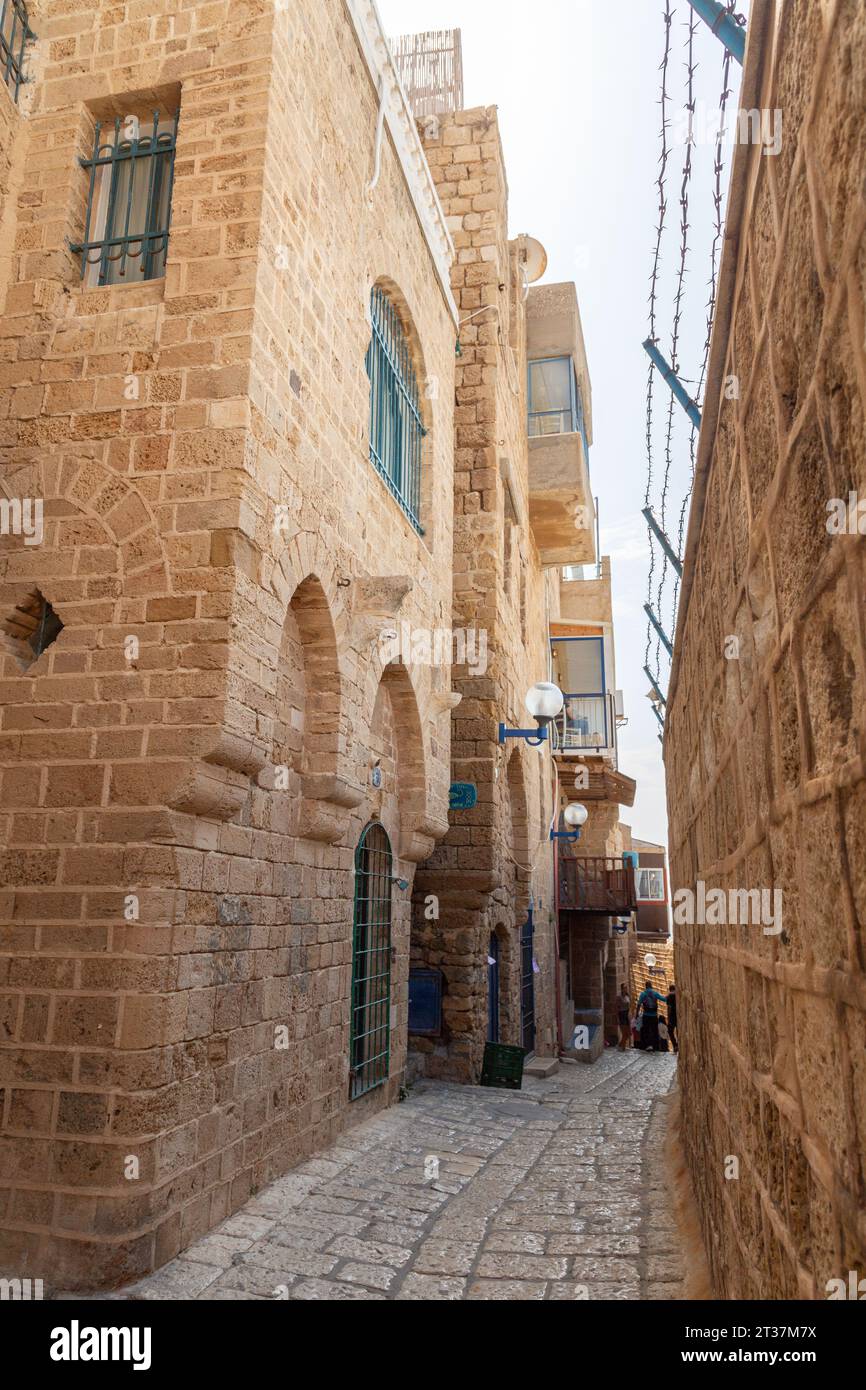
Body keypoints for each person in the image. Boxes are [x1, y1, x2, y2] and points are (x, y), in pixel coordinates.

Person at [637, 978, 666, 1052]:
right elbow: (663, 999)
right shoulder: (655, 993)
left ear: (646, 986)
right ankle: (655, 1046)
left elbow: (639, 1004)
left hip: (646, 1015)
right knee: (654, 1030)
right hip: (654, 1015)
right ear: (651, 986)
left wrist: (636, 1013)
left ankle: (647, 1045)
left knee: (646, 1030)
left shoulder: (643, 994)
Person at [616, 984, 631, 1050]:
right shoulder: (619, 997)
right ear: (622, 989)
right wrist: (617, 1018)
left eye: (626, 988)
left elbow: (629, 1006)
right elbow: (616, 1008)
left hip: (627, 1015)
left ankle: (620, 1045)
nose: (626, 989)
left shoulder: (627, 996)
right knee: (624, 1033)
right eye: (624, 988)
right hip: (622, 1015)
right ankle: (623, 1048)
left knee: (629, 1033)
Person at [666, 984, 678, 1052]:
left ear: (670, 989)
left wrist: (668, 1017)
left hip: (672, 1016)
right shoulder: (677, 994)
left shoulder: (669, 996)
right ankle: (678, 1045)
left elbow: (669, 1007)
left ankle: (675, 1045)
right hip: (678, 1016)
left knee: (670, 1031)